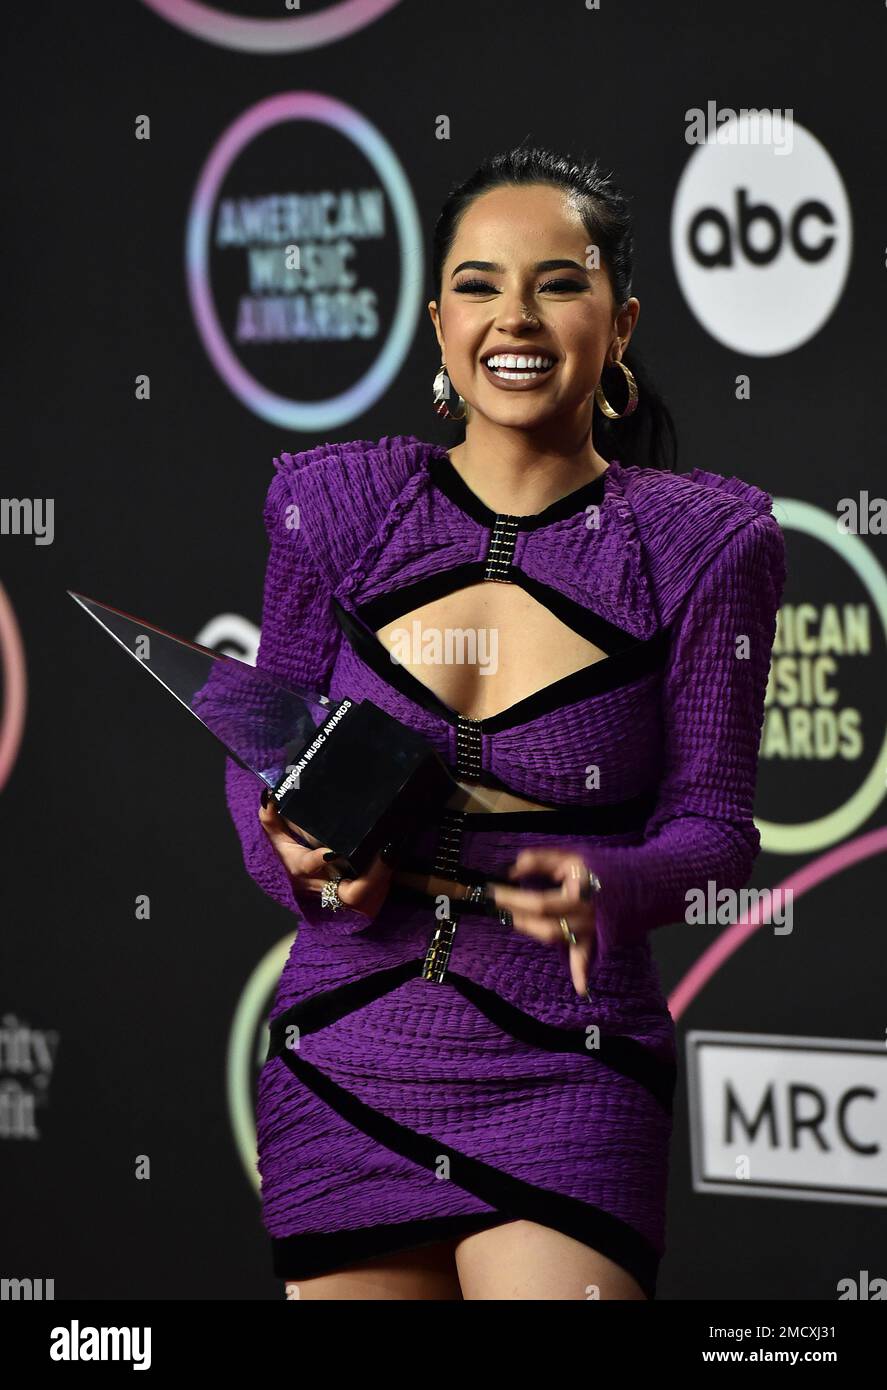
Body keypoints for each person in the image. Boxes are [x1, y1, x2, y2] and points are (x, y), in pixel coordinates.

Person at [224, 146, 787, 1300]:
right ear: (437, 323)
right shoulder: (330, 507)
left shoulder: (702, 545)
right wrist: (295, 855)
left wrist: (609, 885)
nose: (512, 317)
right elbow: (261, 749)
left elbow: (716, 828)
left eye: (558, 283)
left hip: (569, 1064)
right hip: (342, 1047)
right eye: (477, 286)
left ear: (618, 324)